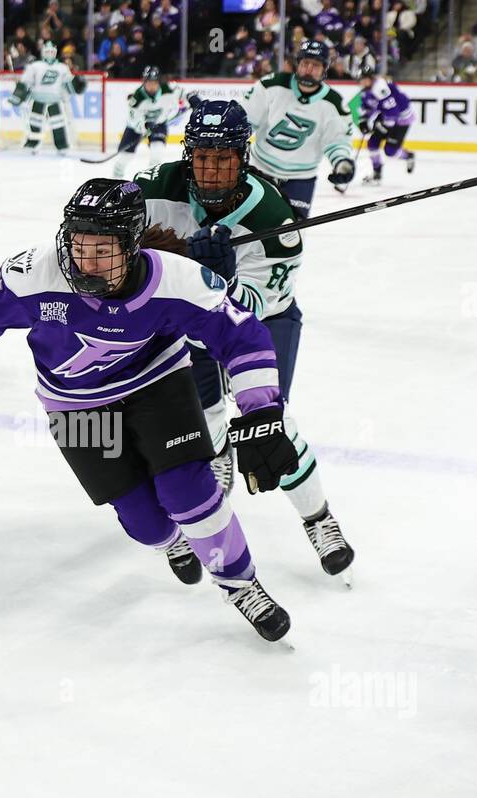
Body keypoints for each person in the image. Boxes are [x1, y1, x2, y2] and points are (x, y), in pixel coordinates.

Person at [0, 179, 297, 643]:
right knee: (145, 522)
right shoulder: (35, 273)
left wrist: (261, 414)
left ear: (132, 246)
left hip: (157, 382)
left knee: (189, 492)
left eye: (103, 252)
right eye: (79, 247)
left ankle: (241, 585)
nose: (86, 264)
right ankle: (174, 543)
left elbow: (243, 336)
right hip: (74, 405)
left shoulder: (177, 281)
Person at [134, 99, 355, 579]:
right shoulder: (154, 186)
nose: (211, 171)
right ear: (187, 154)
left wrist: (221, 284)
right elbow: (110, 242)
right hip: (185, 324)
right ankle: (217, 452)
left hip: (257, 322)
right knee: (204, 412)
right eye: (202, 157)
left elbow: (252, 315)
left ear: (243, 157)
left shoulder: (275, 223)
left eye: (223, 159)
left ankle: (318, 518)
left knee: (271, 426)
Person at [244, 39, 356, 217]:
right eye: (305, 63)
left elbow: (337, 141)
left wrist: (342, 163)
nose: (309, 69)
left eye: (316, 65)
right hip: (260, 169)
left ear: (324, 69)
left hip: (301, 179)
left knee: (290, 237)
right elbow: (246, 120)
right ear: (298, 64)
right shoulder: (272, 85)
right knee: (249, 227)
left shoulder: (334, 104)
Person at [110, 66, 197, 178]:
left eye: (154, 82)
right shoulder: (137, 98)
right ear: (144, 82)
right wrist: (145, 126)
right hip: (135, 128)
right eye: (148, 82)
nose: (151, 86)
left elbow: (185, 93)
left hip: (159, 124)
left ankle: (151, 180)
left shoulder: (168, 89)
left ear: (158, 82)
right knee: (124, 157)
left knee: (157, 152)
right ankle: (117, 178)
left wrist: (192, 98)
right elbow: (134, 119)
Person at [7, 41, 88, 154]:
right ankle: (33, 143)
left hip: (55, 99)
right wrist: (18, 95)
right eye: (47, 51)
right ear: (43, 52)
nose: (49, 53)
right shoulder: (35, 66)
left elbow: (67, 83)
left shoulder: (62, 67)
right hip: (37, 98)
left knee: (58, 123)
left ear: (55, 52)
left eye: (51, 51)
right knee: (35, 122)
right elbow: (26, 82)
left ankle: (61, 145)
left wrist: (77, 85)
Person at [356, 68, 416, 184]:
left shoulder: (380, 88)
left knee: (390, 151)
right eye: (361, 80)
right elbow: (367, 106)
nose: (362, 82)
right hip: (387, 116)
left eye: (365, 79)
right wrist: (363, 121)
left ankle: (408, 156)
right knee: (372, 143)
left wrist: (383, 127)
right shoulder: (366, 89)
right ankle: (377, 174)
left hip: (402, 118)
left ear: (371, 78)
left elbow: (393, 112)